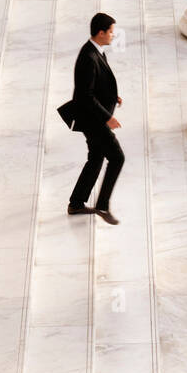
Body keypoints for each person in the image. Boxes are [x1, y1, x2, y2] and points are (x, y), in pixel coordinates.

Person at [67, 13, 124, 224]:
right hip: (93, 120)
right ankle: (102, 205)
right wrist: (107, 117)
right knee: (117, 157)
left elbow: (96, 85)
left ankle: (76, 203)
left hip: (93, 117)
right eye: (110, 32)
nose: (113, 35)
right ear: (101, 33)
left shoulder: (95, 51)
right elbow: (85, 96)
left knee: (96, 158)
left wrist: (112, 97)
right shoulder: (88, 57)